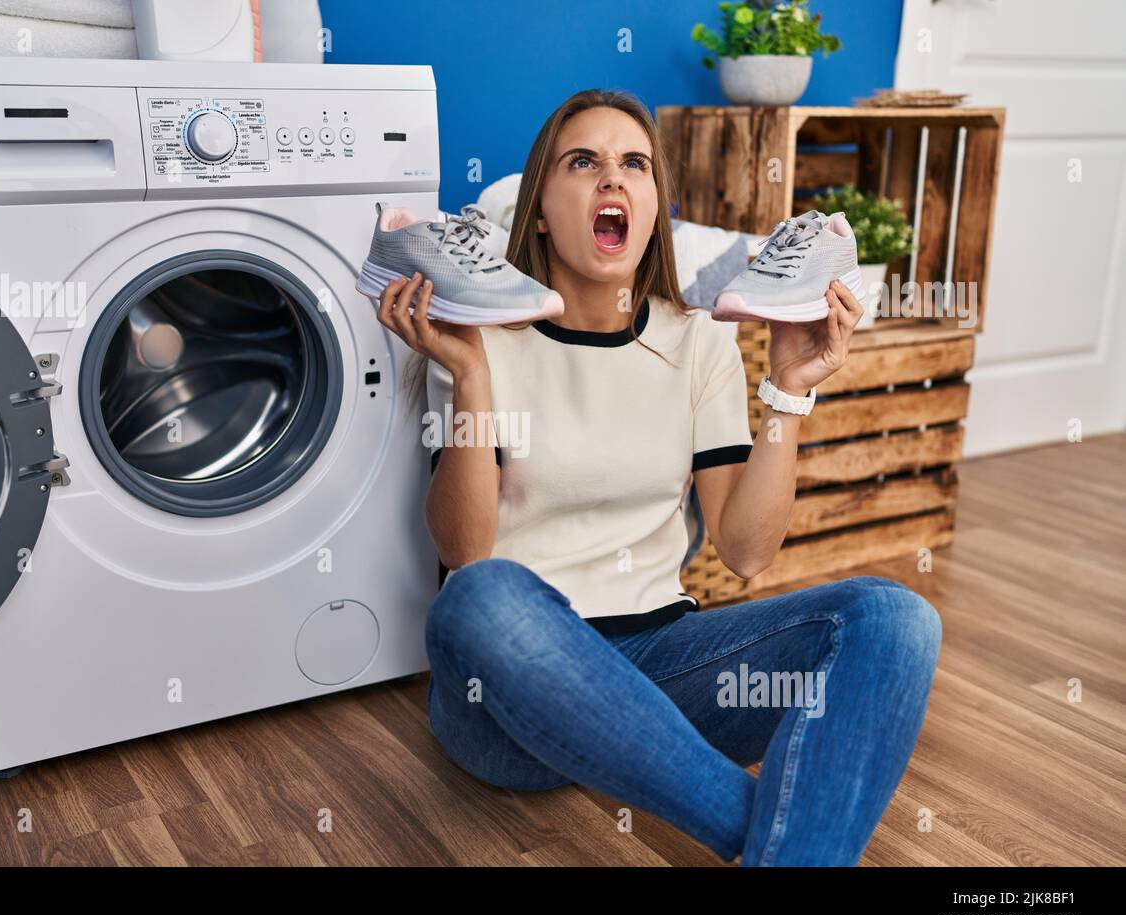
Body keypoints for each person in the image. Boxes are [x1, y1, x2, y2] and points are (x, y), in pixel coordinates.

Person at [372, 88, 942, 866]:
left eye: (633, 164)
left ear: (652, 208)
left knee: (896, 617)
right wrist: (470, 375)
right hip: (506, 697)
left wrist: (788, 388)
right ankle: (769, 842)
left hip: (665, 672)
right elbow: (467, 547)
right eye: (584, 162)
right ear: (539, 211)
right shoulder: (480, 335)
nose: (612, 179)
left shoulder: (697, 342)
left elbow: (744, 552)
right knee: (480, 595)